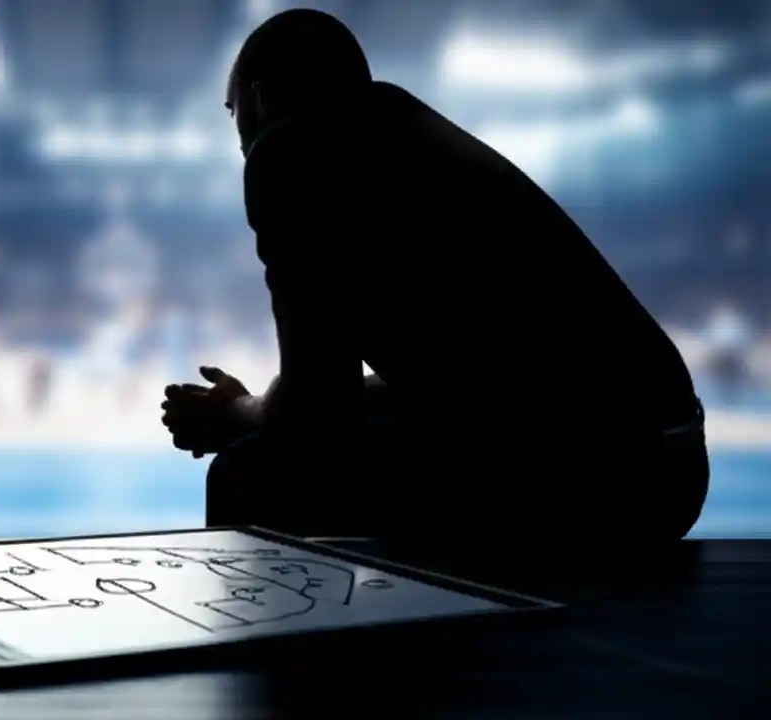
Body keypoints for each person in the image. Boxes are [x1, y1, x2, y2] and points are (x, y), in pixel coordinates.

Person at [161, 9, 708, 544]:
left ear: (258, 98)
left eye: (232, 111)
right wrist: (260, 409)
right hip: (663, 461)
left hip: (607, 475)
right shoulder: (401, 132)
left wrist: (237, 413)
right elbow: (432, 384)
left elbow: (318, 411)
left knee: (249, 473)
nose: (239, 143)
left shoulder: (286, 151)